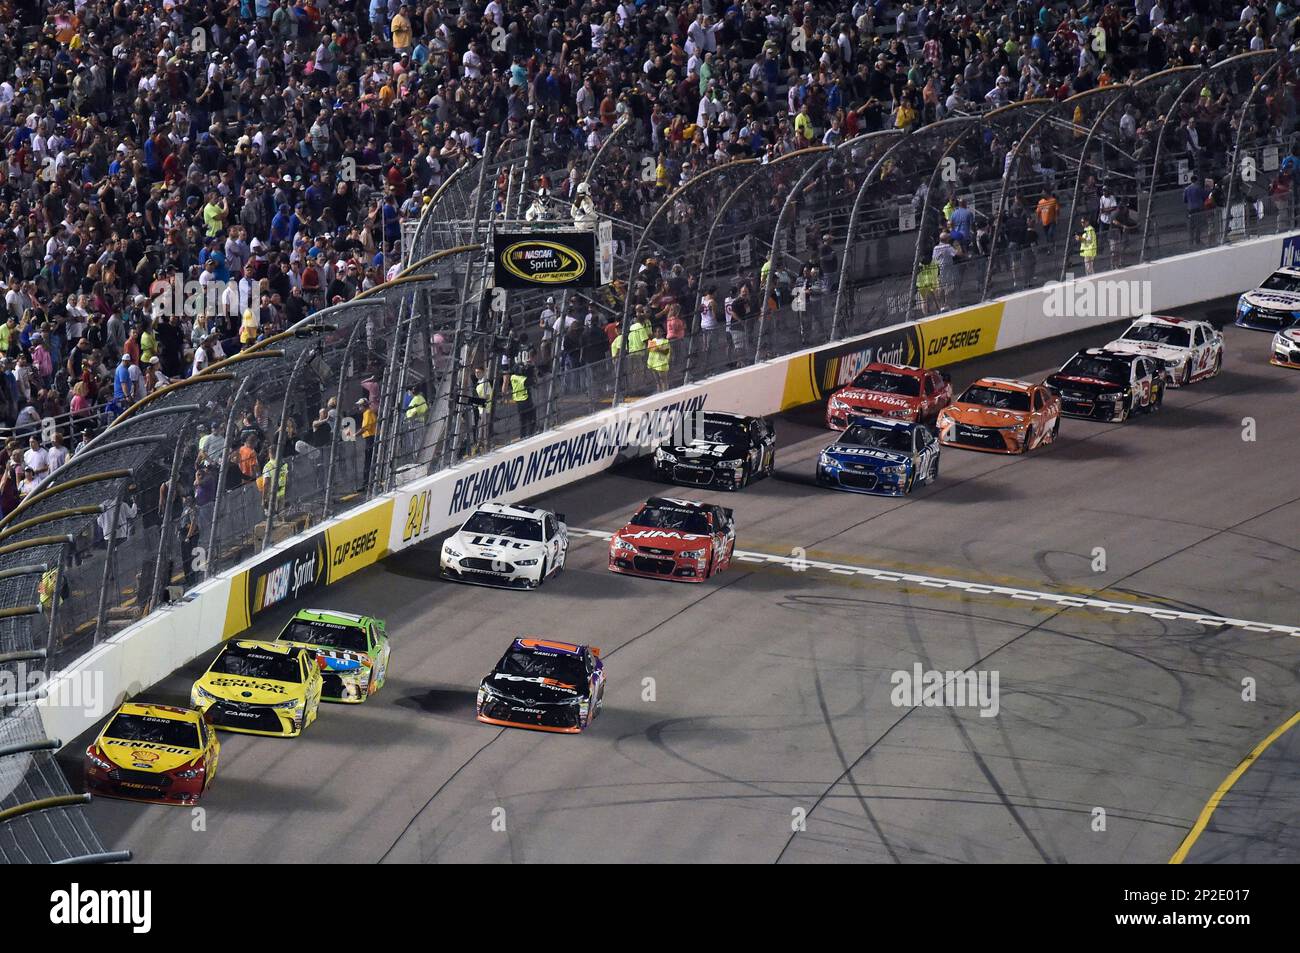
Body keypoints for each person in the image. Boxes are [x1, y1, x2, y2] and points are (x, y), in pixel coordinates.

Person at [507, 362, 537, 438]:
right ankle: (531, 435)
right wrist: (531, 374)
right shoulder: (524, 379)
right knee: (531, 419)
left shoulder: (513, 377)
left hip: (518, 402)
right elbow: (534, 384)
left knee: (522, 421)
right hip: (526, 401)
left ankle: (522, 436)